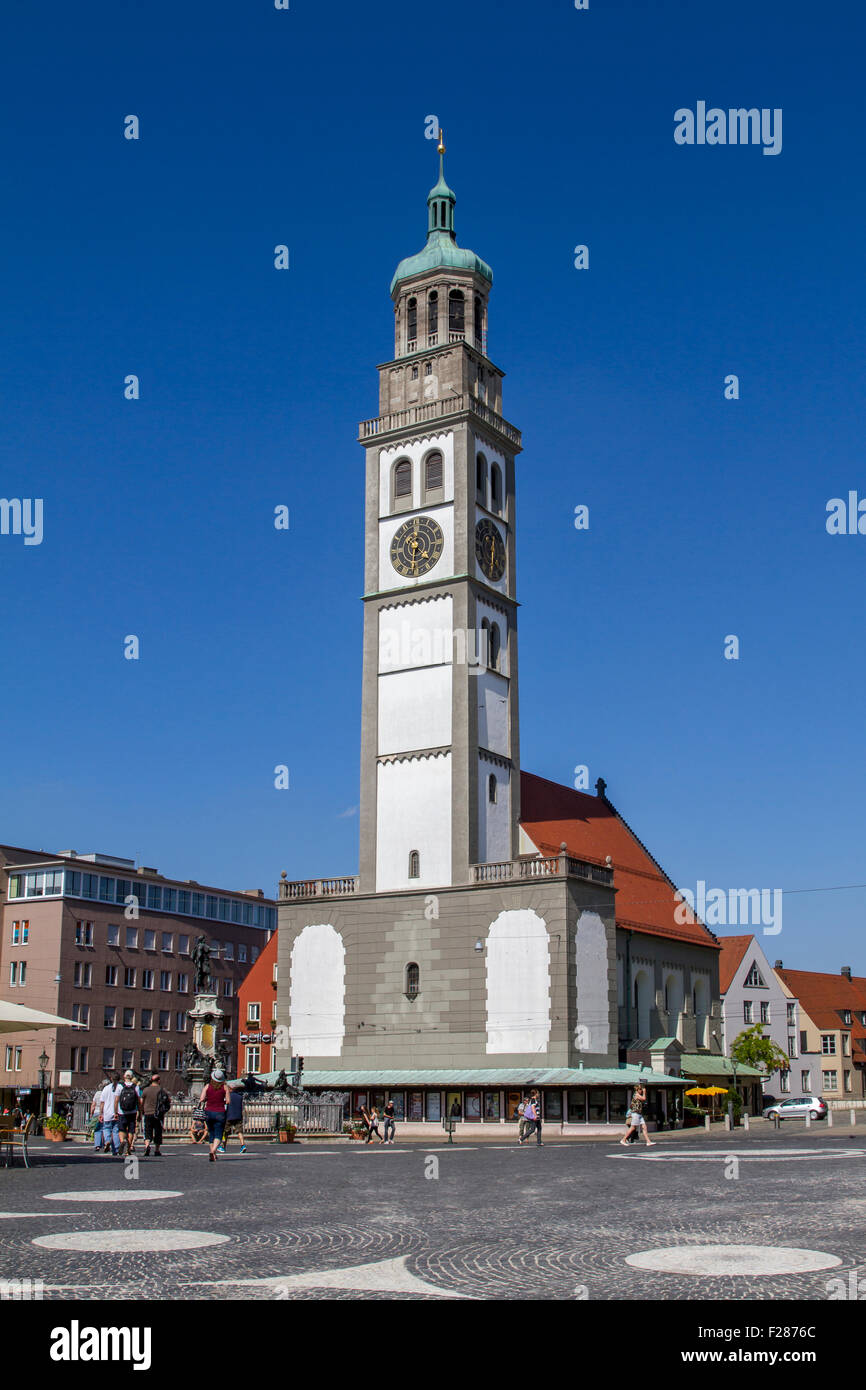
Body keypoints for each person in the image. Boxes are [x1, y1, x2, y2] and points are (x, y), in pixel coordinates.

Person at [202, 1068, 229, 1161]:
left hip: (208, 1111)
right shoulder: (225, 1087)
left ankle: (213, 1154)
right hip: (220, 1112)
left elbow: (201, 1099)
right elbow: (228, 1101)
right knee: (219, 1134)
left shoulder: (207, 1086)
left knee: (211, 1133)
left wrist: (208, 1099)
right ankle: (213, 1151)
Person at [141, 1072, 170, 1157]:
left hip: (147, 1113)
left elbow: (141, 1102)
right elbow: (168, 1101)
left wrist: (141, 1111)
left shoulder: (146, 1090)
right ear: (158, 1081)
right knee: (158, 1132)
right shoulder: (162, 1090)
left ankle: (147, 1145)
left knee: (147, 1130)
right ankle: (157, 1150)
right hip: (158, 1114)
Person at [620, 1081, 655, 1147]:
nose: (641, 1091)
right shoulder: (636, 1094)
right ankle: (623, 1139)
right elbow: (644, 1098)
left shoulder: (638, 1094)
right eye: (640, 1089)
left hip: (639, 1113)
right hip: (635, 1113)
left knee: (644, 1127)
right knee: (633, 1127)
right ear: (637, 1089)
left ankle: (648, 1141)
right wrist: (644, 1092)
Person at [117, 1071, 142, 1156]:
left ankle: (122, 1140)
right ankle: (128, 1149)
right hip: (132, 1112)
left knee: (121, 1129)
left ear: (124, 1076)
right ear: (132, 1077)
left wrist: (115, 1111)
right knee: (131, 1130)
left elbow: (116, 1100)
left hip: (122, 1112)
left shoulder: (120, 1086)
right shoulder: (136, 1087)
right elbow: (139, 1101)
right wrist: (140, 1112)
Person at [97, 1073, 123, 1156]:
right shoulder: (121, 1087)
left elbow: (102, 1102)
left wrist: (101, 1113)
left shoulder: (106, 1088)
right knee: (116, 1131)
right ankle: (116, 1148)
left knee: (106, 1128)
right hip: (117, 1112)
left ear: (111, 1079)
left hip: (107, 1113)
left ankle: (107, 1141)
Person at [220, 1085, 247, 1154]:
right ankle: (243, 1145)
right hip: (238, 1116)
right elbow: (242, 1107)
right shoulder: (240, 1097)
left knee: (225, 1132)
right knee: (239, 1132)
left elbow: (225, 1106)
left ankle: (223, 1146)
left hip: (229, 1116)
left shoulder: (227, 1096)